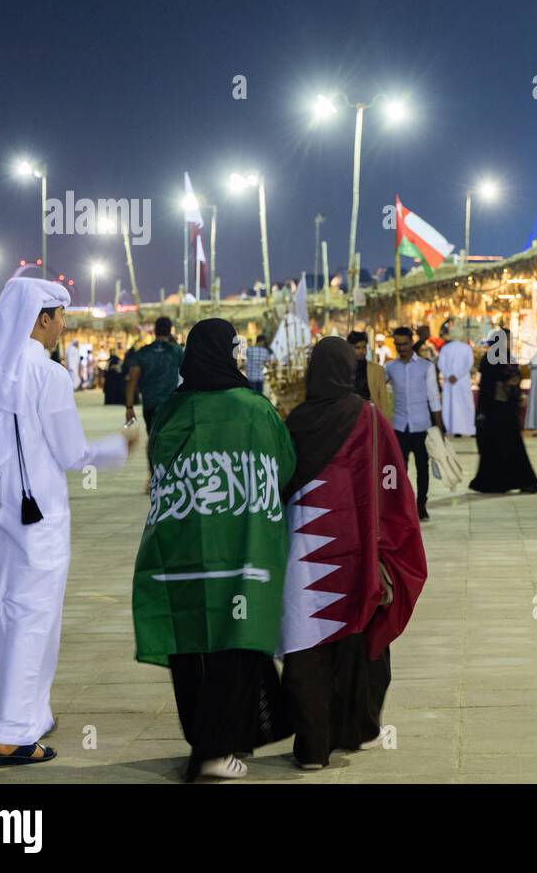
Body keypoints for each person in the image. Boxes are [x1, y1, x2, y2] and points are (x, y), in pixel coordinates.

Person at [0, 278, 137, 767]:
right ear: (43, 318)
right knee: (34, 615)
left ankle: (31, 713)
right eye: (61, 316)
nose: (64, 325)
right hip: (35, 515)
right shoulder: (49, 375)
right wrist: (116, 448)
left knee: (11, 611)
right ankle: (13, 735)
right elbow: (72, 452)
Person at [131, 318, 295, 781]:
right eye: (237, 348)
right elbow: (282, 469)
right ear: (226, 353)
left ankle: (209, 741)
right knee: (235, 645)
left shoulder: (169, 411)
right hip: (242, 551)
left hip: (180, 554)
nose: (242, 355)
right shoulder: (254, 410)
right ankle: (216, 749)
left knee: (191, 648)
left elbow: (159, 470)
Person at [278, 337, 428, 769]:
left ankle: (312, 748)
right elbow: (392, 486)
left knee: (307, 639)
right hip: (356, 547)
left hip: (305, 550)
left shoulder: (296, 420)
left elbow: (280, 483)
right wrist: (390, 549)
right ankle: (355, 730)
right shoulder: (368, 417)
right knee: (357, 633)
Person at [469, 328, 537, 495]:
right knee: (496, 447)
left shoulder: (508, 358)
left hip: (508, 410)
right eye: (507, 340)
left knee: (513, 446)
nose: (509, 343)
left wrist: (515, 390)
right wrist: (506, 382)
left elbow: (515, 376)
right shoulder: (490, 359)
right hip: (494, 411)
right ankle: (496, 483)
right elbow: (488, 386)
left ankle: (522, 482)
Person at [386, 326, 444, 520]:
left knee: (422, 468)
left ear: (411, 342)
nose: (401, 348)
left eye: (404, 344)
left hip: (421, 426)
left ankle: (421, 504)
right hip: (399, 426)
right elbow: (383, 393)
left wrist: (439, 428)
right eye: (397, 344)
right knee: (398, 469)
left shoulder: (425, 367)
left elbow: (434, 398)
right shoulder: (390, 368)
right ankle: (401, 504)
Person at [125, 316, 184, 457]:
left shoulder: (143, 353)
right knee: (169, 440)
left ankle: (153, 473)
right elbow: (188, 375)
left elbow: (132, 380)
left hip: (150, 405)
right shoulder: (176, 352)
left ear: (155, 331)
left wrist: (129, 407)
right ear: (170, 331)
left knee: (153, 438)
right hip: (171, 405)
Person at [435, 329, 475, 437]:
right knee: (465, 404)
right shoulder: (467, 348)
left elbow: (440, 364)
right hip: (462, 381)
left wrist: (449, 375)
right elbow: (469, 364)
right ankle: (468, 428)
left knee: (450, 404)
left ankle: (453, 428)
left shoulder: (445, 348)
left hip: (450, 381)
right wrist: (458, 375)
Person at [347, 330, 393, 419]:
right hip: (349, 417)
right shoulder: (343, 368)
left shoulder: (377, 370)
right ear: (350, 348)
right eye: (357, 347)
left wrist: (385, 423)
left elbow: (383, 399)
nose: (362, 351)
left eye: (364, 347)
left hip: (370, 416)